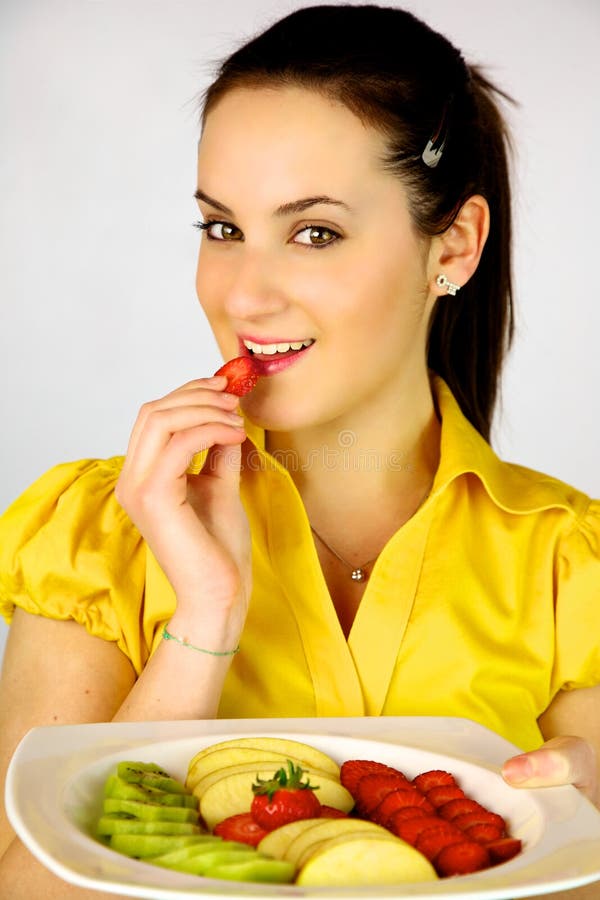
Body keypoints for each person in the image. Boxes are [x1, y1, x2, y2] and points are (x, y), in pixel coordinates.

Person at [0, 5, 598, 898]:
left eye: (314, 233)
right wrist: (202, 622)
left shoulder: (568, 560)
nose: (245, 293)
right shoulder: (95, 535)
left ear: (455, 245)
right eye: (221, 228)